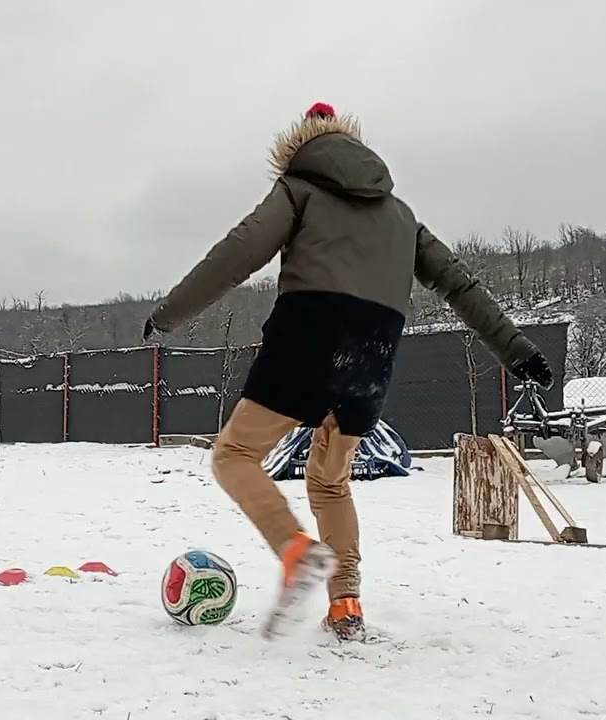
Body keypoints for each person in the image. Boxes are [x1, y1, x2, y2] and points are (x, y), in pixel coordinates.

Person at [142, 102, 552, 641]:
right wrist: (519, 351)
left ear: (301, 147)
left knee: (234, 455)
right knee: (330, 482)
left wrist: (168, 314)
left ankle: (294, 550)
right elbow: (459, 284)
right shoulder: (402, 216)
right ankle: (345, 603)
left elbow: (236, 254)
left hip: (308, 338)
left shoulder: (297, 190)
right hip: (371, 355)